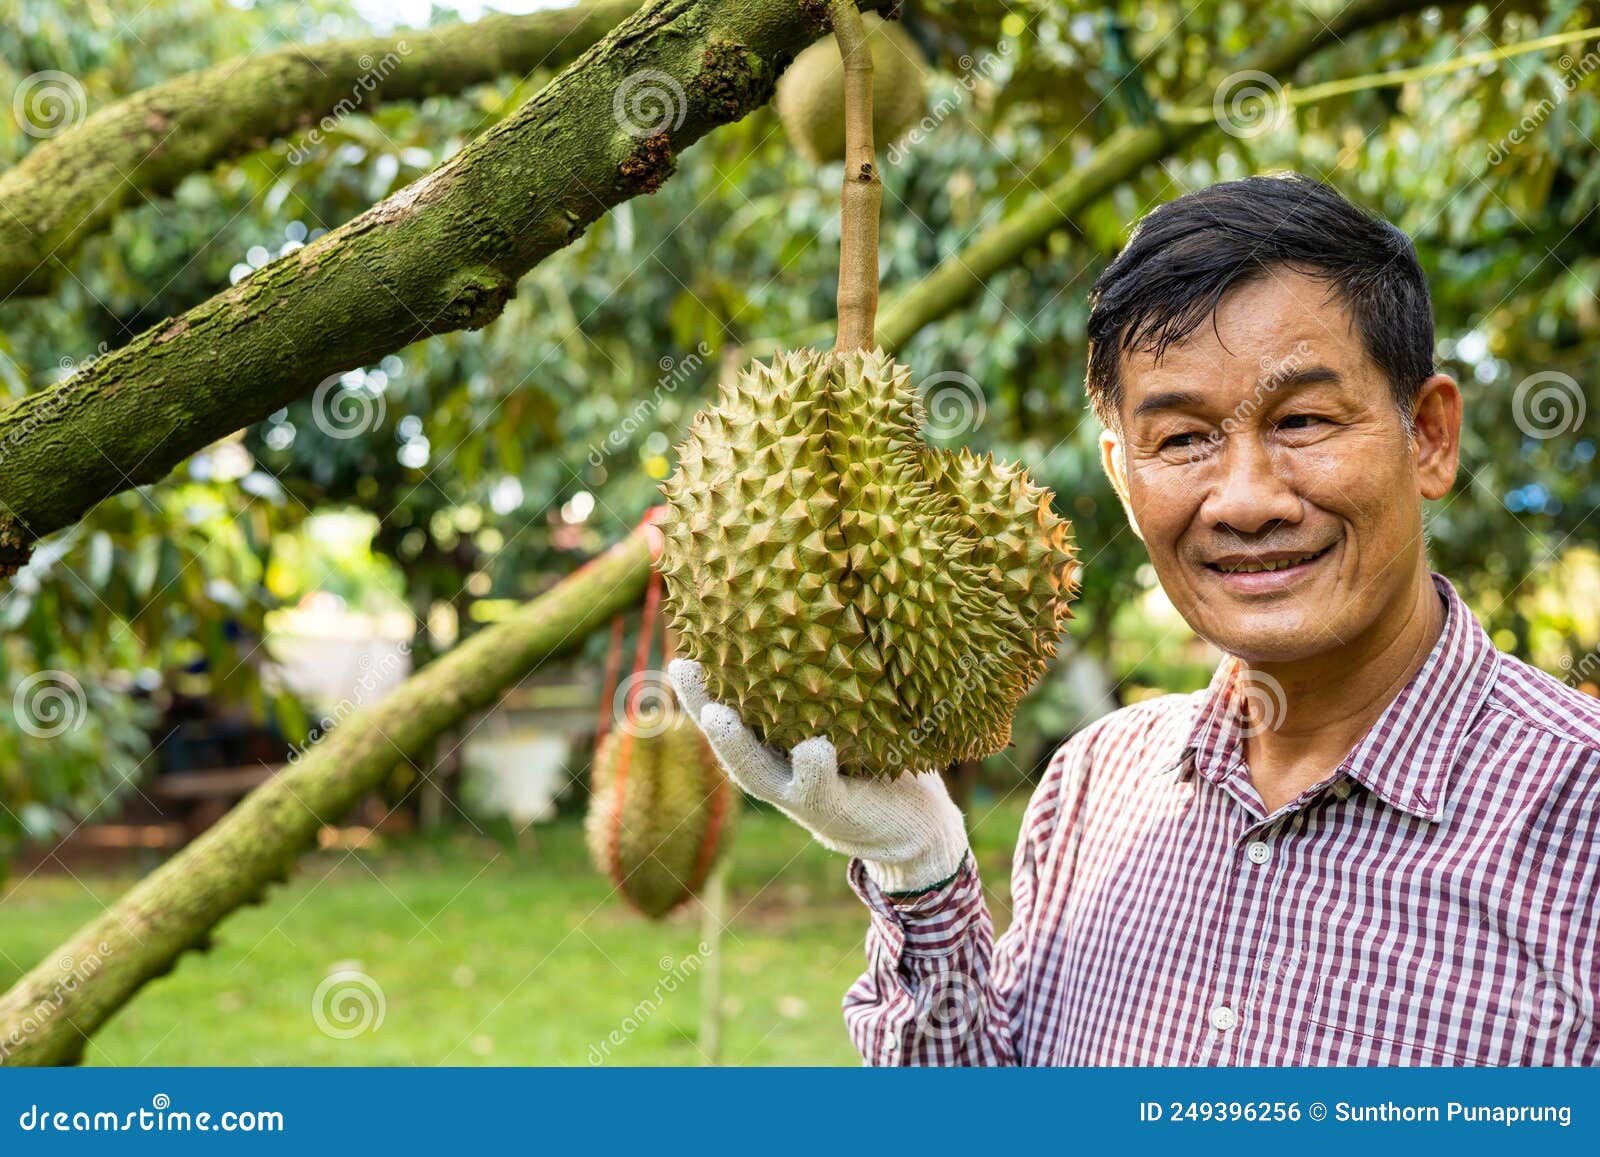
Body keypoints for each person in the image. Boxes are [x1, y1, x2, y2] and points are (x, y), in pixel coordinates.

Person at [668, 173, 1599, 1066]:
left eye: (1304, 420)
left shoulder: (1580, 815)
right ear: (1121, 476)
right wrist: (919, 868)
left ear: (1429, 436)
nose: (1245, 499)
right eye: (1184, 438)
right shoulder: (1090, 790)